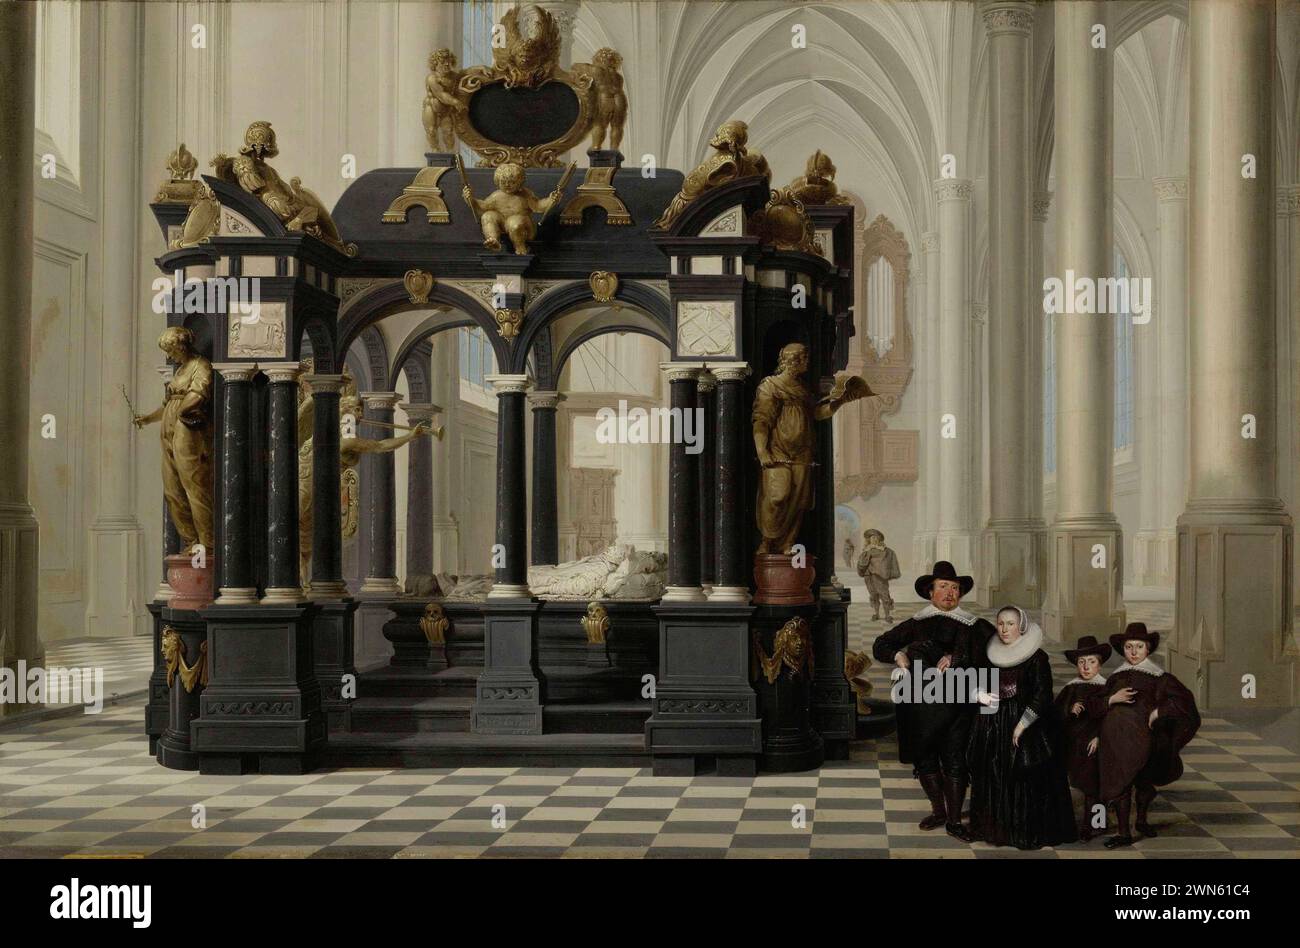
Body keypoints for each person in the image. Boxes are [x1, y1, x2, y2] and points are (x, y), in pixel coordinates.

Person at [871, 561, 994, 840]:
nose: (950, 593)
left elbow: (993, 658)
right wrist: (897, 656)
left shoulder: (975, 625)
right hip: (919, 704)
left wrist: (957, 658)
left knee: (954, 760)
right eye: (943, 587)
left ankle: (953, 820)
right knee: (924, 759)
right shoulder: (916, 623)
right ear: (930, 592)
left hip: (957, 703)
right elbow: (882, 644)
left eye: (954, 588)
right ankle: (938, 810)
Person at [966, 605, 1077, 849]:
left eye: (1010, 624)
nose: (1004, 629)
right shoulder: (989, 653)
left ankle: (1023, 833)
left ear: (1022, 626)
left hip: (1026, 721)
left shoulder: (1037, 658)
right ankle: (994, 830)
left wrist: (1021, 726)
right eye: (1001, 624)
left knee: (1023, 777)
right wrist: (979, 695)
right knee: (993, 773)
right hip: (992, 719)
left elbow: (1042, 696)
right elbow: (975, 680)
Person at [1089, 622, 1201, 849]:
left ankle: (1140, 821)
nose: (1133, 652)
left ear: (1147, 649)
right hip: (1114, 740)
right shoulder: (1115, 678)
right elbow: (1094, 706)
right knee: (1120, 786)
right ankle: (1123, 833)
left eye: (1139, 646)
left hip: (1143, 739)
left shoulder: (1159, 677)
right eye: (1129, 646)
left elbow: (1185, 702)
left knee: (1143, 782)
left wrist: (1160, 711)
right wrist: (1112, 699)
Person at [133, 327, 213, 554]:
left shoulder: (201, 365)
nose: (169, 356)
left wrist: (179, 412)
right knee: (172, 490)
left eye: (171, 350)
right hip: (169, 428)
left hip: (187, 428)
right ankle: (190, 542)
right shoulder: (179, 371)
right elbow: (167, 403)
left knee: (193, 485)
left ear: (181, 346)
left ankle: (207, 543)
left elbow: (198, 394)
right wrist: (148, 418)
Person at [1055, 635, 1111, 841]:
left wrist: (1100, 738)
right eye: (1082, 662)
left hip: (1095, 743)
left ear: (1100, 664)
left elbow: (1112, 719)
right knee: (1079, 783)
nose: (1086, 667)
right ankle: (1079, 823)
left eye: (1092, 661)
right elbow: (1055, 714)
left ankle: (1096, 823)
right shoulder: (1071, 688)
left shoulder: (1106, 688)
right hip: (1073, 744)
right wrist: (1069, 710)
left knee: (1094, 786)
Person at [856, 529, 900, 621]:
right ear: (869, 539)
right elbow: (861, 564)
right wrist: (866, 553)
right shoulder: (867, 551)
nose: (874, 539)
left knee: (884, 595)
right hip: (869, 576)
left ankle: (887, 615)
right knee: (873, 595)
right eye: (872, 537)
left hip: (881, 577)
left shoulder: (887, 551)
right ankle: (876, 614)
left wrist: (887, 573)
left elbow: (889, 563)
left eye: (876, 537)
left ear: (880, 539)